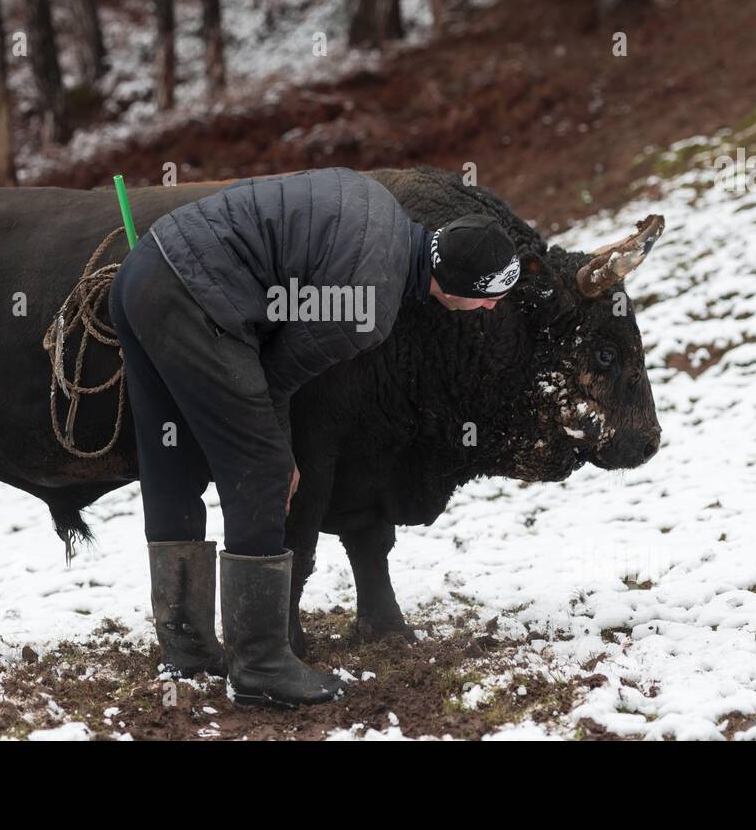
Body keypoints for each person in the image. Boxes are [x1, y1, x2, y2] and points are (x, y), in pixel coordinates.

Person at [107, 167, 519, 707]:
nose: (490, 309)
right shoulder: (369, 305)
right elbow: (277, 373)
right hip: (196, 296)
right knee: (260, 471)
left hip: (144, 269)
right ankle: (259, 664)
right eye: (489, 298)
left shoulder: (377, 207)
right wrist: (281, 454)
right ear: (457, 284)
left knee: (170, 459)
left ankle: (186, 651)